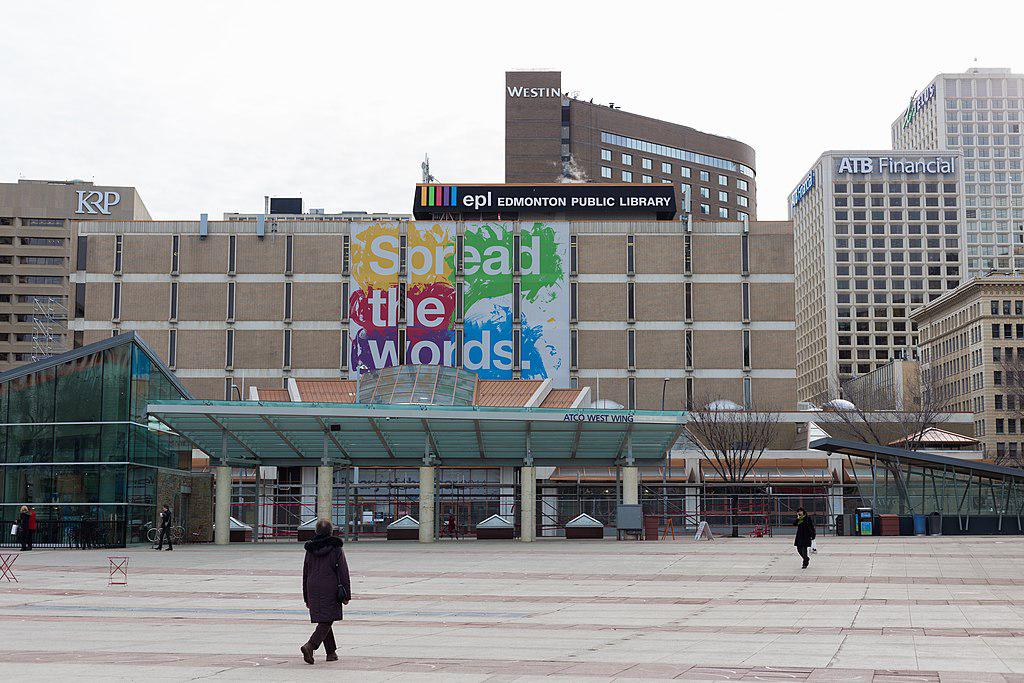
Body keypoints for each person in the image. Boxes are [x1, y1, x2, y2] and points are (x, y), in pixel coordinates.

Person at [300, 519, 350, 665]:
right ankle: (310, 645)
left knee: (325, 618)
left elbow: (305, 573)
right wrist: (346, 594)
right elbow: (343, 571)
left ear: (316, 532)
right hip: (330, 587)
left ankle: (331, 652)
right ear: (331, 532)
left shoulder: (310, 549)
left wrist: (306, 597)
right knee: (328, 619)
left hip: (313, 586)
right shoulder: (336, 548)